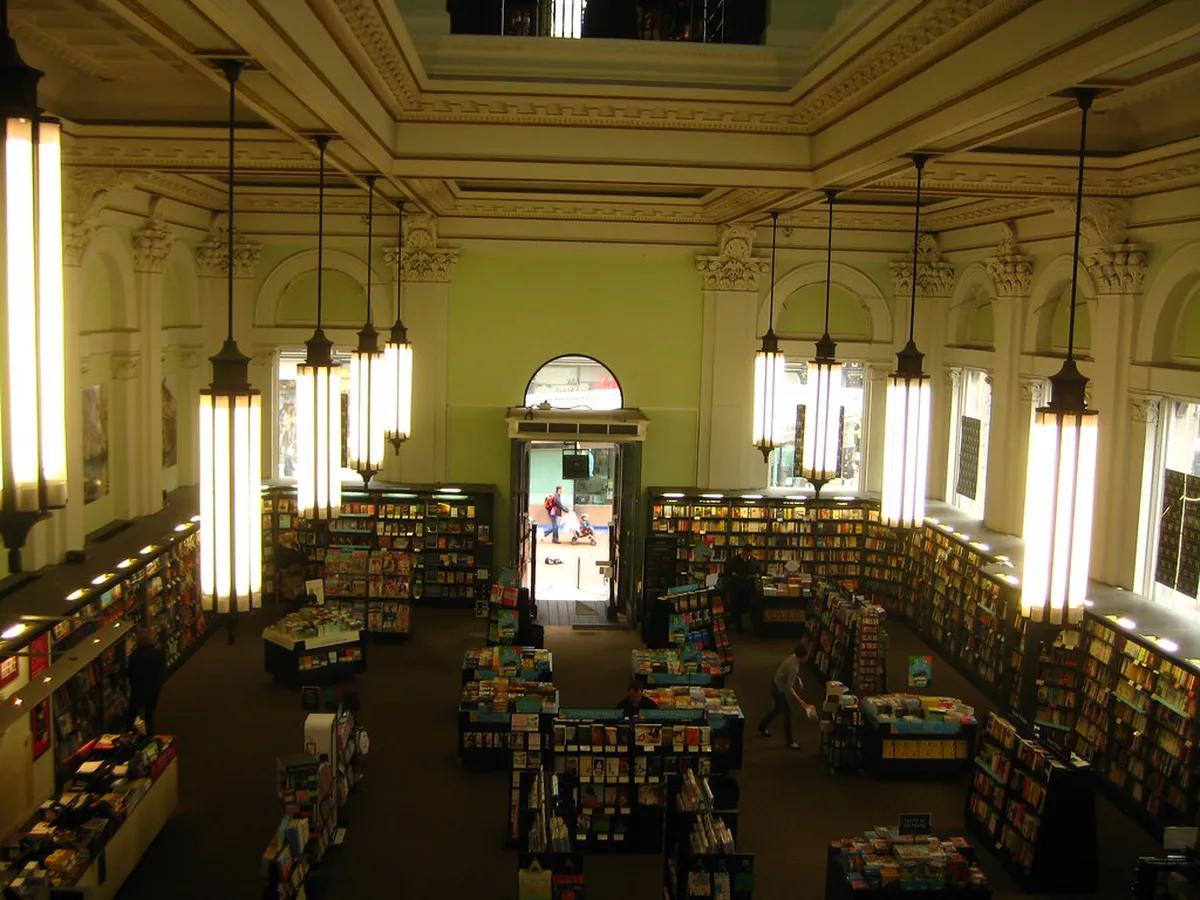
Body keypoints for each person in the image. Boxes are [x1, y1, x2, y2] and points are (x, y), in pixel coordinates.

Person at [757, 640, 817, 749]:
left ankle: (762, 726)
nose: (808, 658)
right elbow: (789, 687)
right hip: (778, 689)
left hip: (776, 683)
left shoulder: (793, 657)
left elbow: (788, 673)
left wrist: (798, 679)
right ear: (802, 656)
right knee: (788, 714)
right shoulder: (793, 667)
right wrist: (801, 702)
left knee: (777, 709)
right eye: (807, 656)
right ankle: (789, 742)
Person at [128, 627, 166, 735]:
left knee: (133, 711)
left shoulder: (135, 655)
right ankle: (150, 732)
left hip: (138, 688)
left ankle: (133, 732)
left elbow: (131, 672)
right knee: (150, 711)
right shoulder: (157, 654)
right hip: (154, 687)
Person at [725, 546, 757, 634]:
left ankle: (729, 621)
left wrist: (756, 575)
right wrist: (733, 575)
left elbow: (758, 570)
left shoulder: (753, 560)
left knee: (746, 606)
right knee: (736, 607)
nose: (748, 556)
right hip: (736, 587)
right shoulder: (734, 560)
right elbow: (727, 571)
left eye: (750, 554)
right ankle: (738, 627)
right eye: (747, 554)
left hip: (748, 588)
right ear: (743, 552)